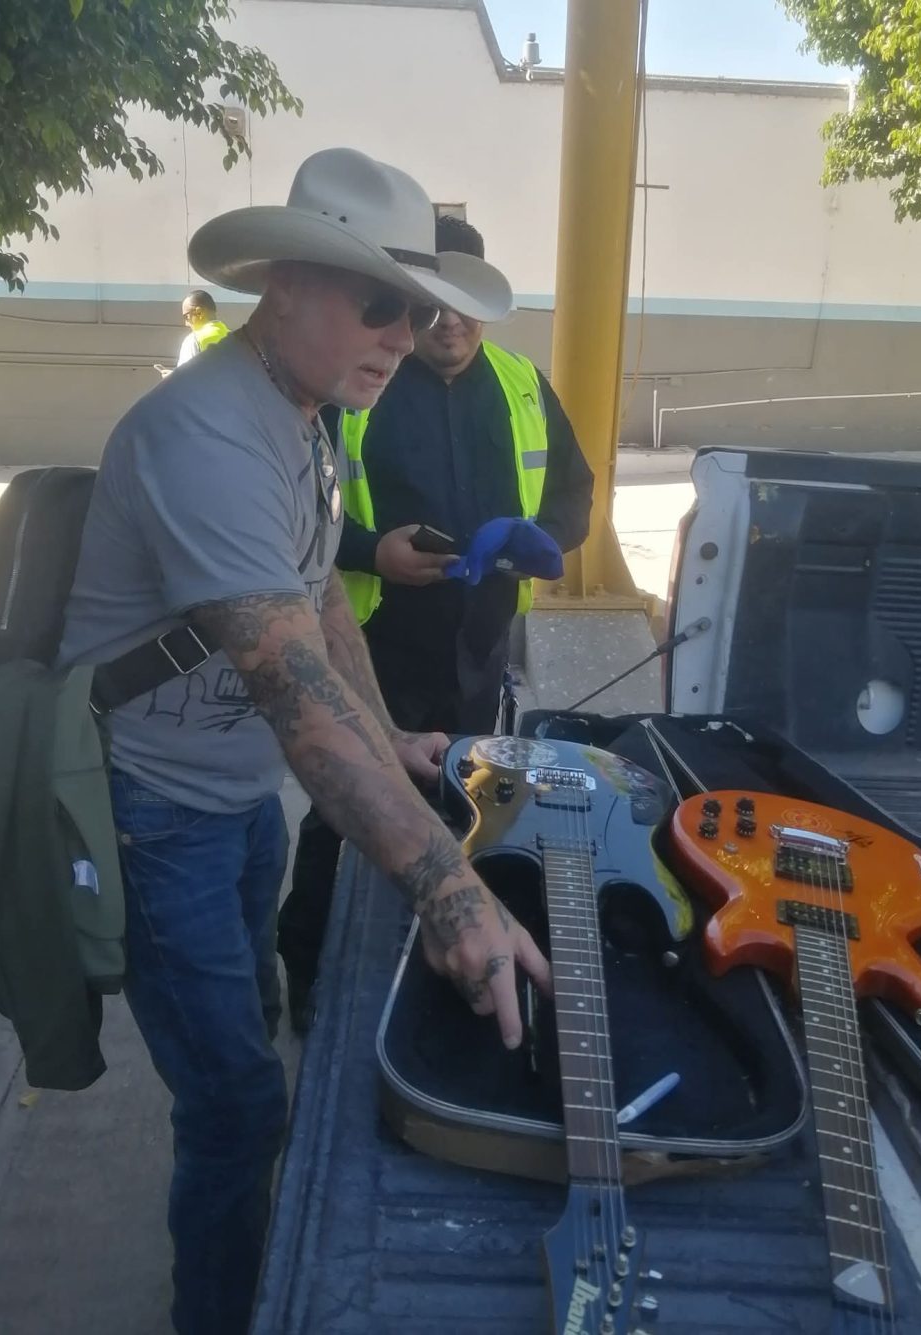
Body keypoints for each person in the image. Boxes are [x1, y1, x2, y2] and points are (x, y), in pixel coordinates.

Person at [58, 148, 550, 1335]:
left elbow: (323, 607)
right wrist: (449, 891)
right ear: (283, 281)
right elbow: (286, 680)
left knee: (259, 1035)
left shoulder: (312, 416)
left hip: (229, 805)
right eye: (380, 302)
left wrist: (398, 737)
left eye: (420, 309)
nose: (405, 332)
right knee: (231, 1107)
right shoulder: (207, 434)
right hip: (154, 810)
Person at [277, 214, 593, 1028]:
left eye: (461, 302)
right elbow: (297, 517)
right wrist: (371, 550)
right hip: (377, 645)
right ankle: (306, 970)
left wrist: (541, 545)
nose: (446, 321)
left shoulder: (524, 385)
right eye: (431, 303)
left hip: (478, 646)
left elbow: (572, 498)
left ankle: (447, 956)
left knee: (466, 805)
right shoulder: (361, 387)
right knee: (343, 806)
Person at [155, 289, 230, 377]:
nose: (186, 323)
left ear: (199, 313)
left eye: (186, 316)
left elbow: (186, 382)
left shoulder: (193, 340)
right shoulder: (234, 338)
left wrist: (172, 378)